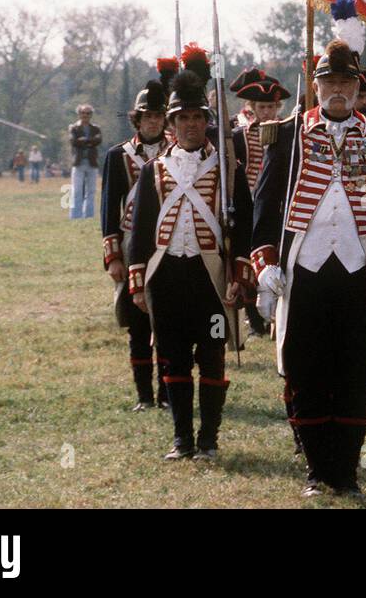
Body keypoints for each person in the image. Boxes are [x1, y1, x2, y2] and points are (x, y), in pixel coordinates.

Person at [251, 35, 366, 497]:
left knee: (354, 370)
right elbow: (264, 209)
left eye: (345, 81)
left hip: (358, 271)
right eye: (329, 82)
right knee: (306, 368)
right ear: (315, 86)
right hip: (305, 269)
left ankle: (348, 472)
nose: (337, 90)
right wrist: (264, 264)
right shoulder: (286, 136)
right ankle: (318, 472)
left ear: (357, 86)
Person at [127, 59, 254, 462]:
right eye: (183, 118)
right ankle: (182, 438)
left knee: (213, 354)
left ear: (206, 121)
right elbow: (142, 228)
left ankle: (209, 439)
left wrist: (240, 272)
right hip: (166, 277)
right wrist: (137, 279)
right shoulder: (154, 171)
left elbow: (245, 226)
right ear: (171, 123)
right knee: (173, 358)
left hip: (209, 279)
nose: (191, 125)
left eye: (198, 117)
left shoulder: (228, 169)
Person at [101, 64, 175, 411]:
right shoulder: (118, 156)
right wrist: (114, 255)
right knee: (137, 321)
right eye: (147, 116)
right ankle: (144, 395)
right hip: (133, 244)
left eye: (160, 116)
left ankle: (167, 393)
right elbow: (108, 210)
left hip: (170, 241)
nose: (153, 122)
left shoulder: (178, 152)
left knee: (167, 320)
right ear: (137, 118)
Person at [229, 67, 292, 340]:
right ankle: (255, 321)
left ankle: (280, 318)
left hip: (280, 206)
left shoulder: (288, 133)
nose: (267, 112)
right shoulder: (238, 137)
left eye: (271, 107)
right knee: (251, 263)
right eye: (262, 107)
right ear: (252, 108)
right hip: (251, 205)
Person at [69, 104, 103, 219]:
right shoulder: (74, 128)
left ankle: (88, 216)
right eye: (83, 113)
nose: (85, 115)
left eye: (88, 113)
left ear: (91, 115)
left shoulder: (96, 128)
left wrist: (85, 140)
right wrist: (90, 142)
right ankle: (75, 216)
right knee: (77, 190)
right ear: (79, 114)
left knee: (91, 191)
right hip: (78, 162)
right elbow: (74, 142)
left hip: (92, 162)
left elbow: (98, 140)